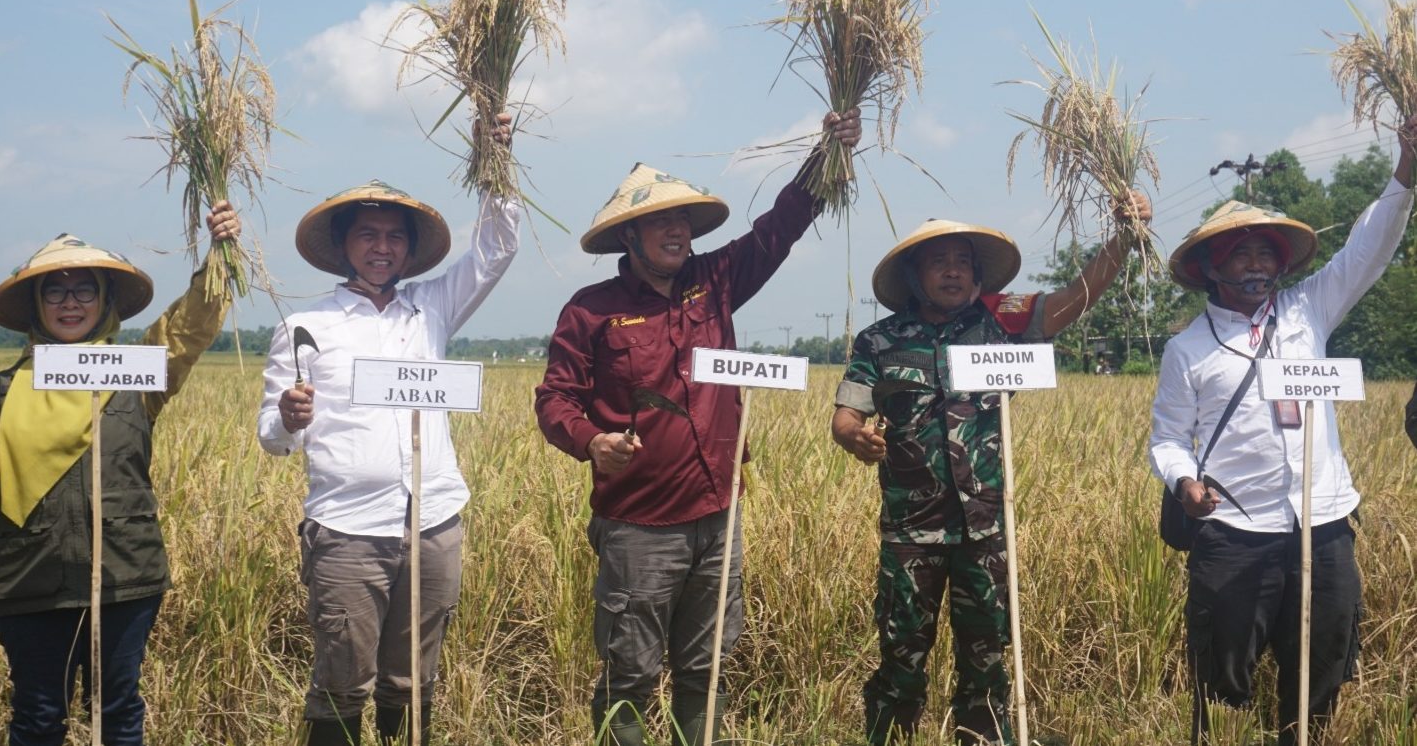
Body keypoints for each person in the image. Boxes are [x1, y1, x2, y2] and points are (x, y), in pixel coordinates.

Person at [534, 110, 861, 746]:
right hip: (637, 527)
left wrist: (830, 151)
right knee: (629, 673)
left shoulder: (716, 282)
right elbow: (554, 399)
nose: (677, 230)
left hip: (718, 518)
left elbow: (782, 226)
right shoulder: (592, 311)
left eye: (683, 219)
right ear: (630, 235)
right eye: (661, 220)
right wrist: (591, 443)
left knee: (706, 669)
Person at [830, 194, 1152, 746]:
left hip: (985, 528)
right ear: (914, 274)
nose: (952, 270)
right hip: (911, 530)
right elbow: (844, 416)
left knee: (985, 656)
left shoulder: (1003, 321)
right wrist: (856, 438)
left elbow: (1076, 299)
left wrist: (1123, 238)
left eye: (962, 261)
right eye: (938, 261)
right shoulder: (879, 341)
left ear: (977, 274)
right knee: (901, 653)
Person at [1149, 115, 1416, 746]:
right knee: (1223, 677)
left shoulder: (1308, 311)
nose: (1257, 263)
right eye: (1240, 252)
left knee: (1322, 666)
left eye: (1266, 251)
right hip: (1236, 533)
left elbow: (1368, 250)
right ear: (1211, 267)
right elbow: (1166, 437)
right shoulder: (1187, 348)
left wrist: (1406, 170)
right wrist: (1184, 482)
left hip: (1322, 526)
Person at [256, 118, 520, 746]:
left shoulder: (432, 307)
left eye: (394, 237)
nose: (382, 247)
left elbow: (495, 250)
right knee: (343, 681)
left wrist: (497, 159)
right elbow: (272, 432)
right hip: (348, 528)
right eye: (368, 235)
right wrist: (289, 418)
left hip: (433, 523)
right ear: (344, 244)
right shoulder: (305, 324)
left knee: (413, 681)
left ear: (408, 249)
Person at [0, 204, 240, 746]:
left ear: (104, 302)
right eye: (54, 291)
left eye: (84, 290)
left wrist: (220, 252)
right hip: (29, 580)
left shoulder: (137, 374)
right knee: (36, 714)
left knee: (118, 712)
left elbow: (188, 330)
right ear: (36, 304)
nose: (69, 303)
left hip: (124, 577)